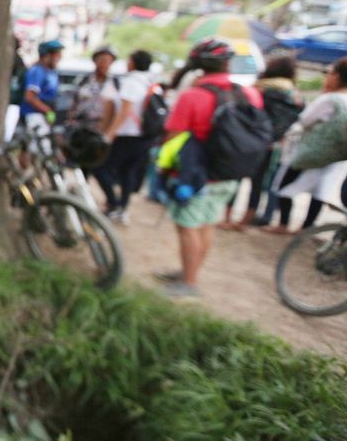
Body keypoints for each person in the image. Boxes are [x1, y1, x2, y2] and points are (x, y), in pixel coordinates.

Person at [156, 39, 263, 298]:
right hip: (230, 173)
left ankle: (189, 283)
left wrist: (165, 167)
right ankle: (189, 272)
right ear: (228, 63)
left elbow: (173, 137)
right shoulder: (249, 94)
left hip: (197, 176)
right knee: (206, 224)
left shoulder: (193, 96)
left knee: (188, 227)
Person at [272, 57, 347, 232]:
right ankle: (306, 228)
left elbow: (306, 120)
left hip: (312, 152)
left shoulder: (330, 99)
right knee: (321, 191)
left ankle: (283, 224)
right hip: (338, 156)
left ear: (337, 76)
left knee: (284, 186)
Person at [234, 55, 302, 231]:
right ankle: (246, 221)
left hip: (250, 139)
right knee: (261, 183)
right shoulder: (295, 95)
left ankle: (229, 217)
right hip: (275, 145)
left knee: (237, 177)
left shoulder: (261, 89)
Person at [94, 49, 156, 224]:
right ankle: (122, 208)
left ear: (132, 63)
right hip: (144, 137)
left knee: (100, 167)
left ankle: (114, 204)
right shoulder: (149, 82)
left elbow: (124, 112)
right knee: (127, 172)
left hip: (126, 136)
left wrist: (108, 135)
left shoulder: (130, 82)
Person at [19, 39, 64, 147]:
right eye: (56, 55)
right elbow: (30, 97)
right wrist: (47, 111)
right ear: (47, 55)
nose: (59, 58)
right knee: (39, 149)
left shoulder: (51, 72)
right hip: (33, 115)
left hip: (44, 116)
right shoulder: (37, 71)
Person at [69, 45, 118, 130]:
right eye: (101, 60)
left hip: (103, 128)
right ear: (95, 61)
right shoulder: (83, 80)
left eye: (108, 60)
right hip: (81, 126)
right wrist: (70, 120)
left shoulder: (116, 83)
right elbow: (73, 102)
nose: (104, 64)